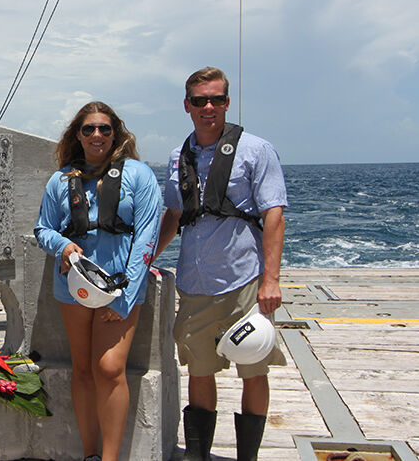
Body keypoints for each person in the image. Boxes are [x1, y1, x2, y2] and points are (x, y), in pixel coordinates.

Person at [154, 67, 287, 461]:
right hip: (195, 283)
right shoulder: (178, 157)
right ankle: (199, 455)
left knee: (254, 368)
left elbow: (274, 215)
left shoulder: (257, 150)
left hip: (245, 281)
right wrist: (145, 259)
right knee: (199, 369)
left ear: (227, 103)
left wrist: (271, 280)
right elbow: (173, 215)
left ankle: (248, 457)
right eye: (200, 100)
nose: (208, 107)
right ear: (187, 106)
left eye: (216, 99)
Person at [35, 102, 161, 461]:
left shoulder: (139, 175)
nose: (97, 135)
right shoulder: (61, 181)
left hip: (119, 289)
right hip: (73, 287)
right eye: (88, 128)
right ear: (78, 134)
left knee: (109, 368)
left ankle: (110, 457)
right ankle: (89, 453)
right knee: (83, 370)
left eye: (105, 128)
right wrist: (62, 245)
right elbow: (43, 229)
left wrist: (124, 297)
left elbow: (147, 238)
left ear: (115, 134)